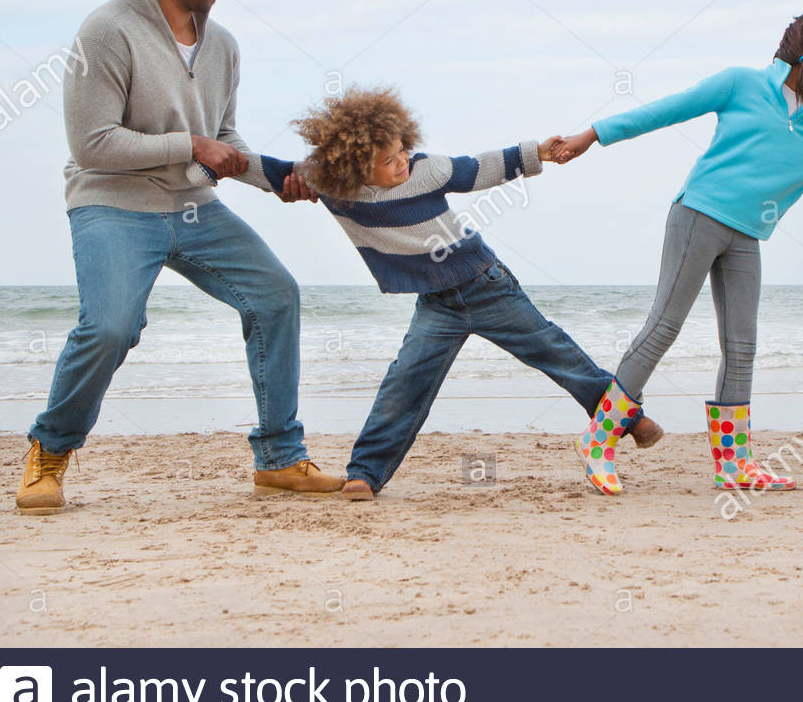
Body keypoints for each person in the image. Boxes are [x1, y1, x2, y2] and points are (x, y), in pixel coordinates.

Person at [16, 0, 342, 515]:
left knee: (276, 295)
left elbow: (224, 141)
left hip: (193, 208)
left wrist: (281, 179)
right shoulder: (107, 31)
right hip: (112, 204)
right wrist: (190, 145)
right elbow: (92, 144)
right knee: (111, 327)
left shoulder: (224, 46)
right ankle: (50, 450)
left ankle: (279, 458)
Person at [555, 14, 803, 495]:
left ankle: (734, 465)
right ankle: (598, 441)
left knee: (742, 346)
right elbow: (664, 111)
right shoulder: (740, 84)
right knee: (663, 326)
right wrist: (592, 135)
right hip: (697, 216)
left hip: (746, 236)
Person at [220, 86, 661, 499]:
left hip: (487, 286)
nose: (402, 162)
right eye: (389, 159)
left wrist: (538, 152)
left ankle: (631, 419)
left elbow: (479, 168)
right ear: (354, 165)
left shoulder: (426, 170)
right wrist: (210, 158)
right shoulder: (334, 186)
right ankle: (365, 474)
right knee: (404, 383)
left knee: (555, 351)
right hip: (437, 306)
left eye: (402, 149)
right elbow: (266, 171)